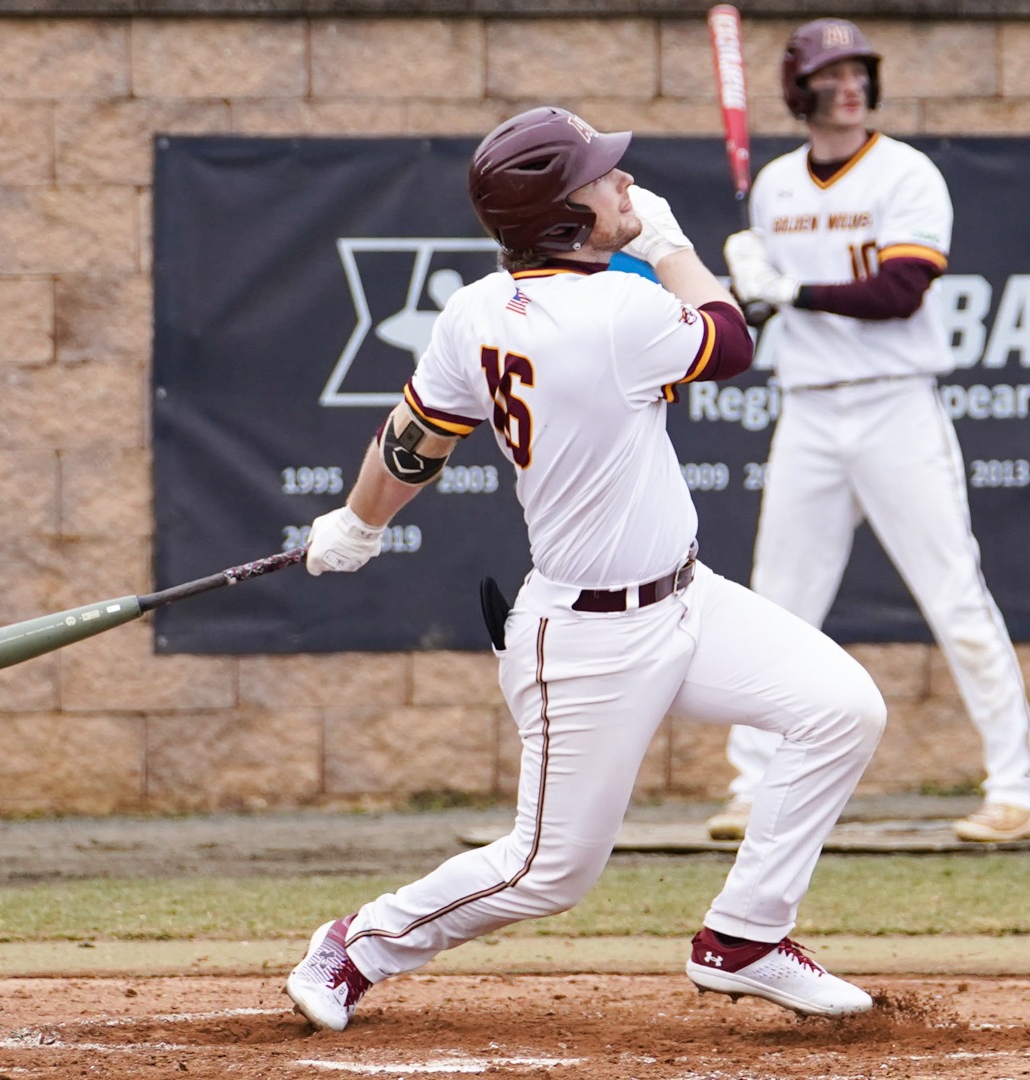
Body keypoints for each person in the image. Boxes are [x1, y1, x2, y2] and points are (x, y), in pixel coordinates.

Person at [284, 106, 888, 1031]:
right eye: (604, 180)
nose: (625, 188)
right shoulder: (618, 313)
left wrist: (357, 522)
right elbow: (731, 341)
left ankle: (746, 938)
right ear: (561, 215)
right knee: (548, 871)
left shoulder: (479, 307)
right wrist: (680, 246)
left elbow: (413, 440)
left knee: (841, 709)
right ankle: (356, 945)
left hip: (689, 601)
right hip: (586, 636)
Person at [709, 18, 1030, 845]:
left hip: (898, 404)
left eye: (860, 70)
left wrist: (790, 292)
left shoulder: (908, 173)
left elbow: (901, 292)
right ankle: (751, 785)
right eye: (832, 73)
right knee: (777, 604)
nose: (851, 85)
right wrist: (747, 289)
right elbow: (768, 308)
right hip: (811, 407)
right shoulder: (777, 186)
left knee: (956, 599)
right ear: (802, 89)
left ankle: (1018, 791)